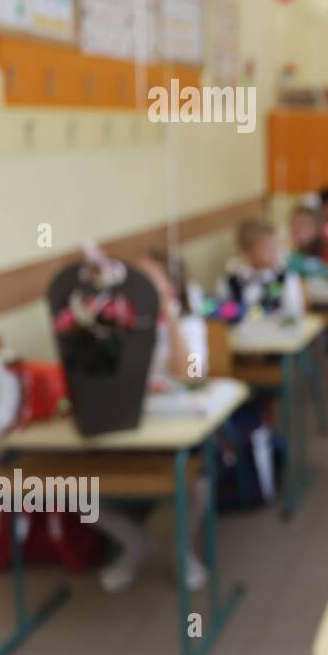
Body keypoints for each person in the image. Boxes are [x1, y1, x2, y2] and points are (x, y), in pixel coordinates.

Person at [93, 252, 210, 592]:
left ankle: (182, 550)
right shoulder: (121, 322)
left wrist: (168, 316)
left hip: (174, 431)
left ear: (171, 286)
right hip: (127, 429)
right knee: (73, 489)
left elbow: (190, 375)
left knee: (197, 487)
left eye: (149, 278)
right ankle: (135, 544)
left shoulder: (188, 323)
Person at [218, 219, 305, 315]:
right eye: (268, 249)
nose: (274, 253)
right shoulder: (229, 282)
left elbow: (295, 312)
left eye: (275, 247)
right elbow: (225, 316)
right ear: (248, 252)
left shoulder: (284, 278)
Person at [286, 204, 328, 276]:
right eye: (293, 224)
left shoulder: (325, 256)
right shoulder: (293, 256)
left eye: (302, 224)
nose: (296, 229)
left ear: (315, 228)